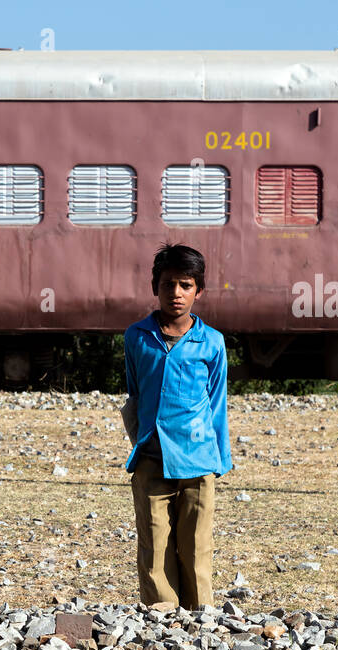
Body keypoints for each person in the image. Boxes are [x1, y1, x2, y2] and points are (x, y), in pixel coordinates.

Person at [122, 243, 232, 610]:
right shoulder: (137, 337)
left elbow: (217, 405)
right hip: (152, 458)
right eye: (168, 284)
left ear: (199, 291)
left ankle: (200, 623)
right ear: (155, 287)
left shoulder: (211, 343)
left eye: (185, 285)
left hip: (199, 462)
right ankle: (162, 624)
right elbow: (136, 394)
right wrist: (140, 443)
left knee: (196, 549)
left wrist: (221, 460)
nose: (176, 293)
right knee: (154, 550)